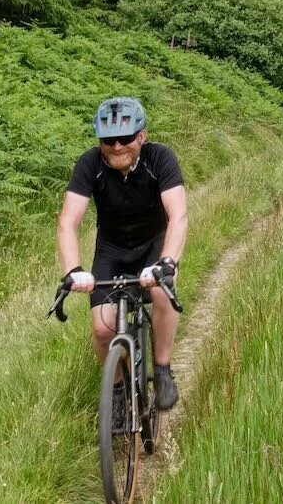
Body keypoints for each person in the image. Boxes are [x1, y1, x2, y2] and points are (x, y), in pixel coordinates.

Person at [56, 97, 188, 410]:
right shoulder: (90, 164)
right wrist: (73, 269)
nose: (117, 146)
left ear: (141, 136)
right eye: (108, 140)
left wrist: (167, 262)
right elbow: (67, 222)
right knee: (103, 329)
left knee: (161, 294)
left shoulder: (160, 159)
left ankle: (163, 369)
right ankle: (116, 390)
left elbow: (178, 215)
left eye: (125, 139)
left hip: (154, 245)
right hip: (112, 250)